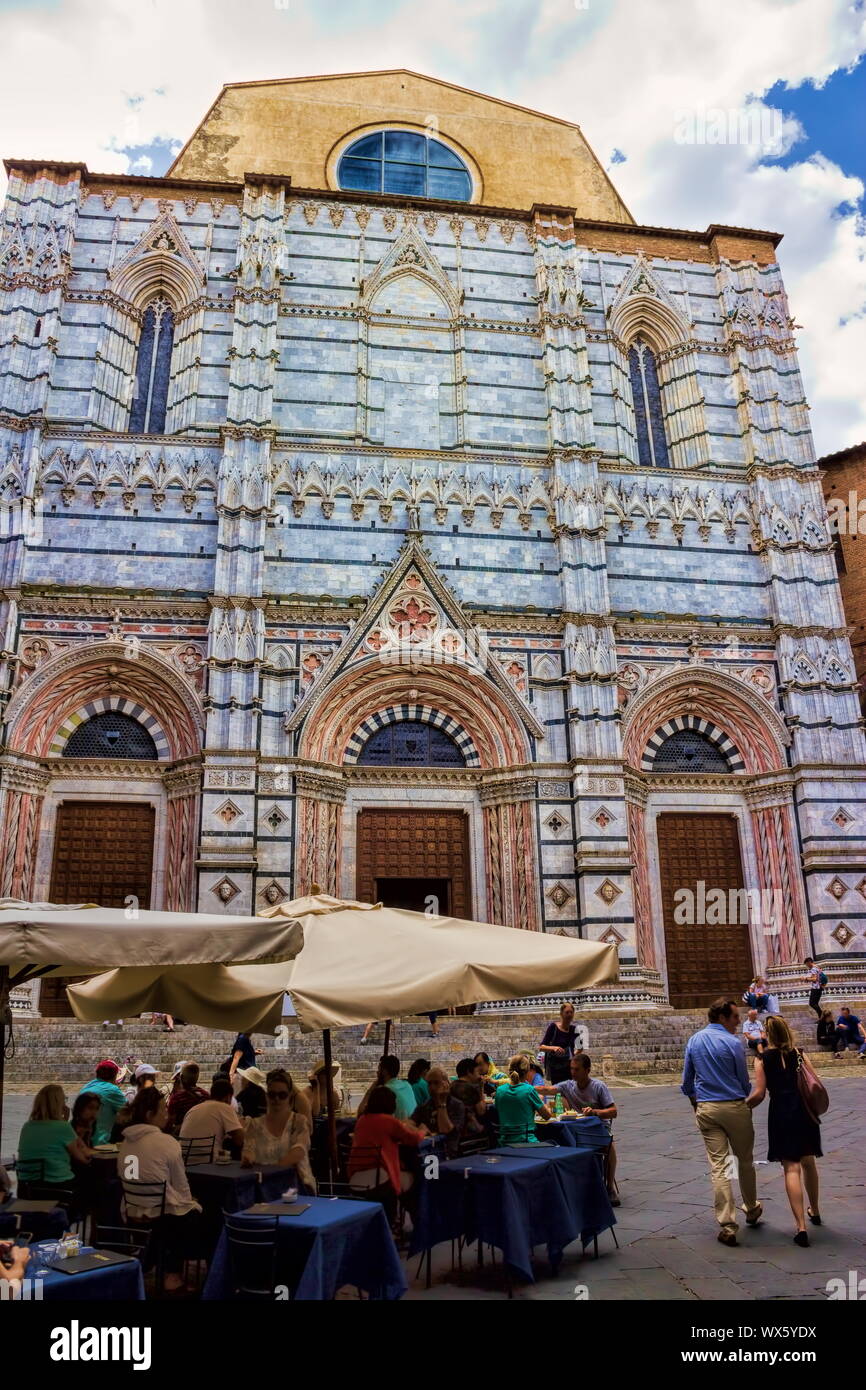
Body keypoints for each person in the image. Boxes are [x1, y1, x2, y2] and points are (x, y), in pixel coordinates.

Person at [681, 998, 763, 1246]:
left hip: (707, 1108)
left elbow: (687, 1081)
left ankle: (728, 1224)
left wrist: (697, 1102)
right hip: (734, 1106)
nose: (739, 1021)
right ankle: (751, 1208)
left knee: (719, 1167)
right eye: (735, 1016)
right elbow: (743, 1081)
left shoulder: (694, 1040)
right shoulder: (732, 1043)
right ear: (722, 1018)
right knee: (745, 1161)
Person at [117, 1086, 205, 1294]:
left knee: (166, 1216)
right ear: (150, 1115)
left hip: (132, 1209)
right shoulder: (167, 1142)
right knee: (192, 1214)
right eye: (162, 1110)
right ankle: (172, 1275)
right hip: (161, 1211)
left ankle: (147, 1262)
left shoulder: (126, 1143)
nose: (167, 1114)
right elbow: (181, 1187)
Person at [747, 1015, 823, 1246]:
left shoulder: (761, 1059)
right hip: (804, 1111)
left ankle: (800, 1227)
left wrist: (743, 1106)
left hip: (781, 1111)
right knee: (809, 1161)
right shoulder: (799, 1054)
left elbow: (759, 1093)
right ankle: (815, 1211)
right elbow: (815, 1083)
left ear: (767, 1034)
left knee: (791, 1168)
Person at [539, 1053, 620, 1204]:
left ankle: (610, 1188)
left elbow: (613, 1112)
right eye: (572, 1069)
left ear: (587, 1070)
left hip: (599, 1128)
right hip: (578, 1129)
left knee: (610, 1146)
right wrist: (528, 1089)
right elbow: (548, 1089)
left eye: (577, 1070)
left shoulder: (598, 1087)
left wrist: (595, 1112)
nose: (573, 1073)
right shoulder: (568, 1085)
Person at [348, 1086, 426, 1201]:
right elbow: (412, 1139)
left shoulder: (361, 1120)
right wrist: (422, 1131)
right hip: (381, 1179)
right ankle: (409, 1215)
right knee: (417, 1177)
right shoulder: (389, 1121)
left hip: (355, 1180)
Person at [241, 1068, 315, 1190]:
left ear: (289, 1095)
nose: (276, 1099)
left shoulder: (299, 1122)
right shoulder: (255, 1125)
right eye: (272, 1094)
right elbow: (248, 1150)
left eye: (282, 1095)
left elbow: (298, 1151)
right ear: (266, 1095)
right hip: (265, 1187)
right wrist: (248, 1157)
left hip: (297, 1187)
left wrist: (272, 1171)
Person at [17, 1084, 92, 1203]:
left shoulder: (27, 1127)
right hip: (56, 1188)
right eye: (64, 1099)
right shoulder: (62, 1127)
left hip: (27, 1188)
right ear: (59, 1104)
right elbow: (82, 1158)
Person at [178, 1077, 245, 1160]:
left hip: (184, 1161)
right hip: (208, 1163)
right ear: (228, 1097)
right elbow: (239, 1140)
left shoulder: (194, 1108)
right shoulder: (224, 1107)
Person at [494, 1054, 552, 1144]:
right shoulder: (529, 1090)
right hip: (526, 1142)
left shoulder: (500, 1091)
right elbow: (547, 1116)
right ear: (527, 1071)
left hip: (504, 1143)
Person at [412, 1067, 465, 1159]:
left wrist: (442, 1102)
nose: (432, 1087)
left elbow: (444, 1129)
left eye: (436, 1083)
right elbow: (408, 1123)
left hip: (448, 1153)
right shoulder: (425, 1105)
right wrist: (419, 1130)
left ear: (446, 1084)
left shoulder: (456, 1105)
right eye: (429, 1083)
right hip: (428, 1152)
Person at [79, 1059, 126, 1144]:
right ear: (115, 1075)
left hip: (81, 1141)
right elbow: (129, 1113)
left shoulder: (86, 1087)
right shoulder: (112, 1090)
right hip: (101, 1142)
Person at [358, 1056, 416, 1121]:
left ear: (384, 1071)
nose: (377, 1072)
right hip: (410, 1127)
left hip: (396, 1129)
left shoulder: (385, 1092)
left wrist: (370, 1090)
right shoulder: (407, 1085)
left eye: (379, 1069)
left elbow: (360, 1114)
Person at [539, 1001, 579, 1084]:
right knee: (558, 1093)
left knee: (569, 1091)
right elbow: (541, 1047)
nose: (569, 1014)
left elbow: (580, 1048)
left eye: (571, 1012)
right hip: (556, 1068)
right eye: (567, 1012)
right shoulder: (553, 1027)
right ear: (561, 1014)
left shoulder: (574, 1030)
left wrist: (573, 1055)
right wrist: (554, 1048)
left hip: (569, 1068)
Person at [450, 1058, 487, 1137]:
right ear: (469, 1072)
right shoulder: (471, 1088)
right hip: (469, 1130)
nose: (479, 1076)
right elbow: (481, 1111)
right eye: (477, 1072)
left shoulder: (451, 1085)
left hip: (453, 1128)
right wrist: (481, 1087)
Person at [167, 1063, 208, 1132]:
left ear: (181, 1077)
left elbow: (169, 1123)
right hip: (204, 1135)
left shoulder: (177, 1098)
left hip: (183, 1138)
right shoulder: (206, 1096)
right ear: (197, 1077)